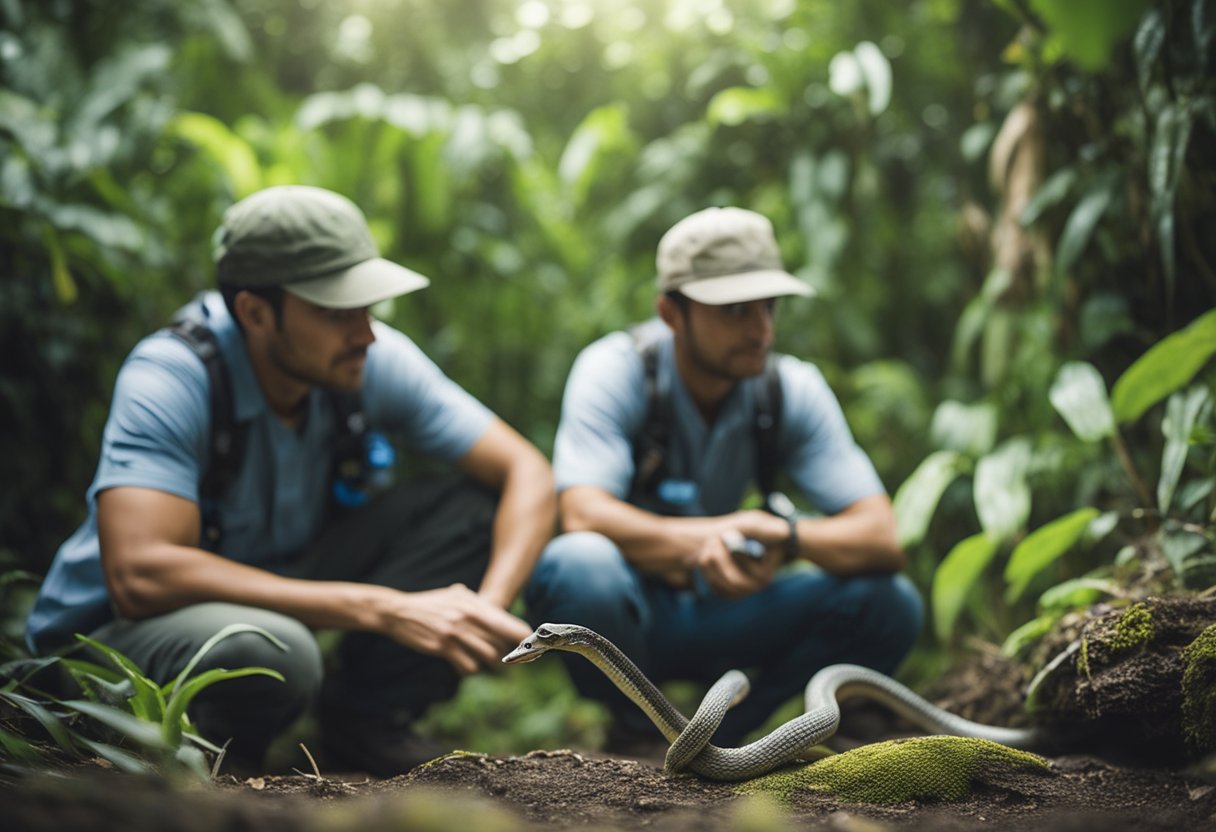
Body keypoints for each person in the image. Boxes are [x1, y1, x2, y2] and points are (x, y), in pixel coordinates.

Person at [25, 185, 556, 775]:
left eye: (368, 306)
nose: (365, 333)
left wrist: (486, 607)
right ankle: (202, 762)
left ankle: (364, 723)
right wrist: (381, 608)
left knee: (474, 508)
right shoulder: (172, 376)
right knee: (274, 650)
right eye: (336, 311)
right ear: (254, 311)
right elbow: (141, 573)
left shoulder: (365, 360)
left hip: (275, 586)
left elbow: (526, 471)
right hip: (114, 636)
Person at [525, 206, 923, 753]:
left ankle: (755, 732)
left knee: (890, 602)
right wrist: (709, 538)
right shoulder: (615, 370)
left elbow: (883, 537)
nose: (760, 329)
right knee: (578, 565)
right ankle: (641, 727)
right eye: (734, 309)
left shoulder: (790, 389)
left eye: (768, 306)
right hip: (637, 614)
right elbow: (583, 514)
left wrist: (787, 538)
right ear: (671, 312)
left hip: (740, 610)